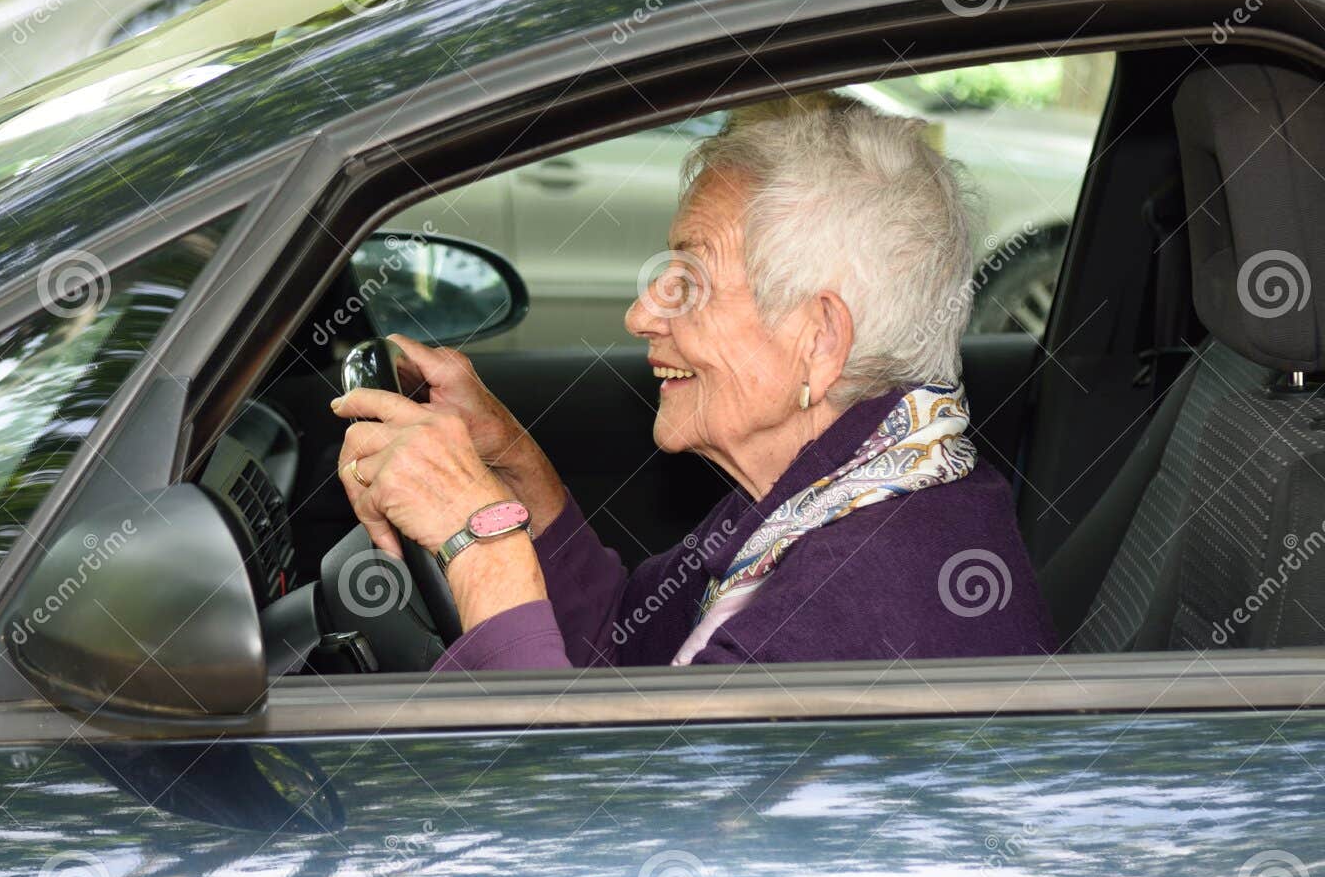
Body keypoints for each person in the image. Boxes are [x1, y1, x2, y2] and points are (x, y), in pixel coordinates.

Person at [331, 97, 1056, 669]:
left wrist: (481, 544)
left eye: (691, 280)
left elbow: (583, 823)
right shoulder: (827, 489)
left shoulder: (857, 601)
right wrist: (509, 464)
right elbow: (629, 645)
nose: (642, 311)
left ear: (819, 339)